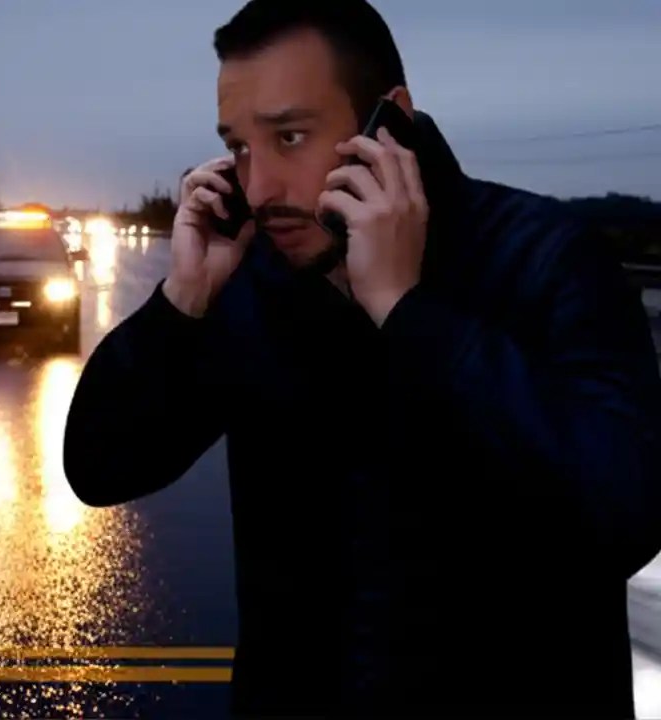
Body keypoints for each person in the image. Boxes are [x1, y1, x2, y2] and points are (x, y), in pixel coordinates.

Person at [62, 0, 661, 715]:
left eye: (290, 136)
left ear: (391, 121)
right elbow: (99, 467)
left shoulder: (545, 256)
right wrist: (180, 301)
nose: (258, 190)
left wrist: (406, 312)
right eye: (241, 147)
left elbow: (623, 519)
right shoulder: (255, 283)